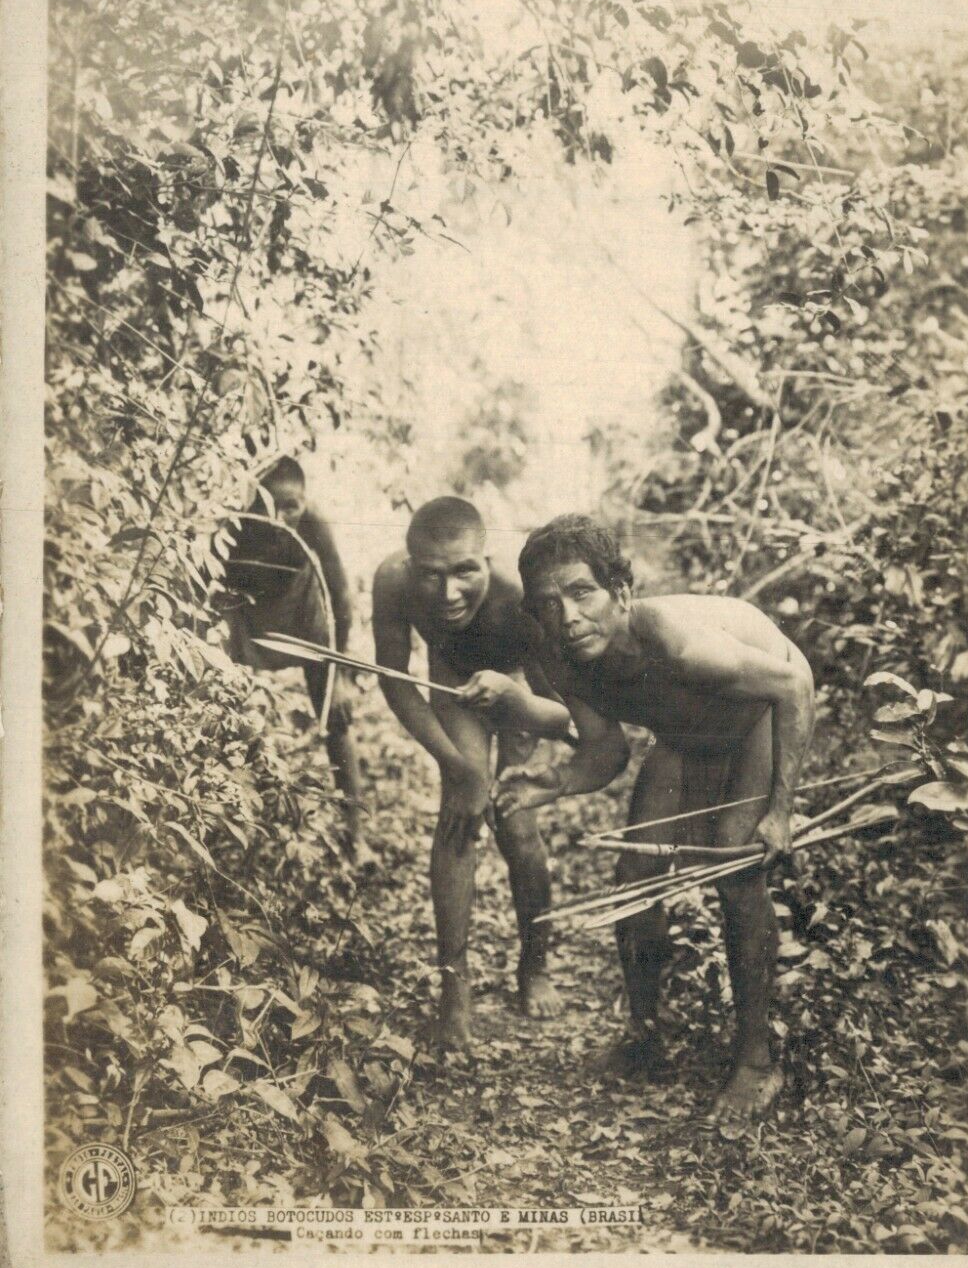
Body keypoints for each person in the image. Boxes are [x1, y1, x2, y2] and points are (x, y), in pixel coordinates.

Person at [474, 513, 815, 1138]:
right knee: (634, 878)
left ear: (621, 591)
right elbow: (606, 751)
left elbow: (793, 685)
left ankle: (755, 1060)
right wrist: (551, 784)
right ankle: (645, 1031)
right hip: (684, 737)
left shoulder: (678, 643)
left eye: (583, 593)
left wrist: (781, 811)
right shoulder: (565, 659)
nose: (568, 617)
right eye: (548, 604)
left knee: (733, 867)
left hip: (755, 721)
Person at [372, 497, 615, 1049]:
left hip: (522, 689)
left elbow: (564, 718)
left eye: (465, 572)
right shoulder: (392, 582)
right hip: (453, 682)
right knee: (458, 817)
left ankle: (535, 964)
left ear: (486, 559)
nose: (447, 594)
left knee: (516, 826)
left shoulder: (522, 596)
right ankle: (454, 990)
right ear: (410, 565)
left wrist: (513, 698)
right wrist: (458, 768)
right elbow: (395, 680)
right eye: (430, 575)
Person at [219, 456, 373, 867]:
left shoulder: (314, 523)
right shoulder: (232, 523)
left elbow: (340, 596)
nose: (281, 517)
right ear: (252, 500)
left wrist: (339, 676)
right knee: (223, 708)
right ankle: (228, 820)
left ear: (305, 501)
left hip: (304, 607)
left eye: (292, 506)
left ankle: (355, 837)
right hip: (245, 610)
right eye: (270, 506)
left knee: (336, 718)